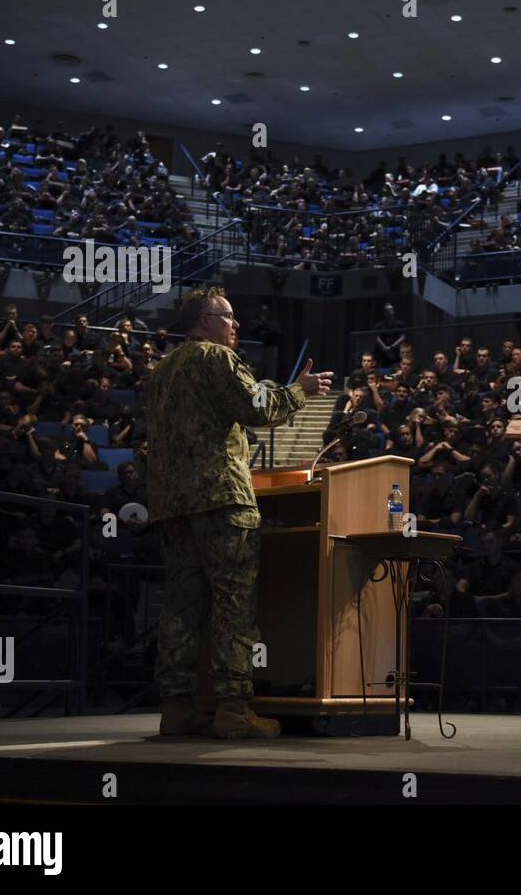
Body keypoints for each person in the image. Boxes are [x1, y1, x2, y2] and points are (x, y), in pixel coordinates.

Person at [145, 286, 334, 738]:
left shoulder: (162, 369)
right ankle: (233, 708)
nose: (237, 325)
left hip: (173, 503)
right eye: (229, 317)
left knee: (181, 606)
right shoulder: (216, 358)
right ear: (205, 322)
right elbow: (256, 408)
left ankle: (176, 707)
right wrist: (299, 392)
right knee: (234, 603)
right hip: (221, 498)